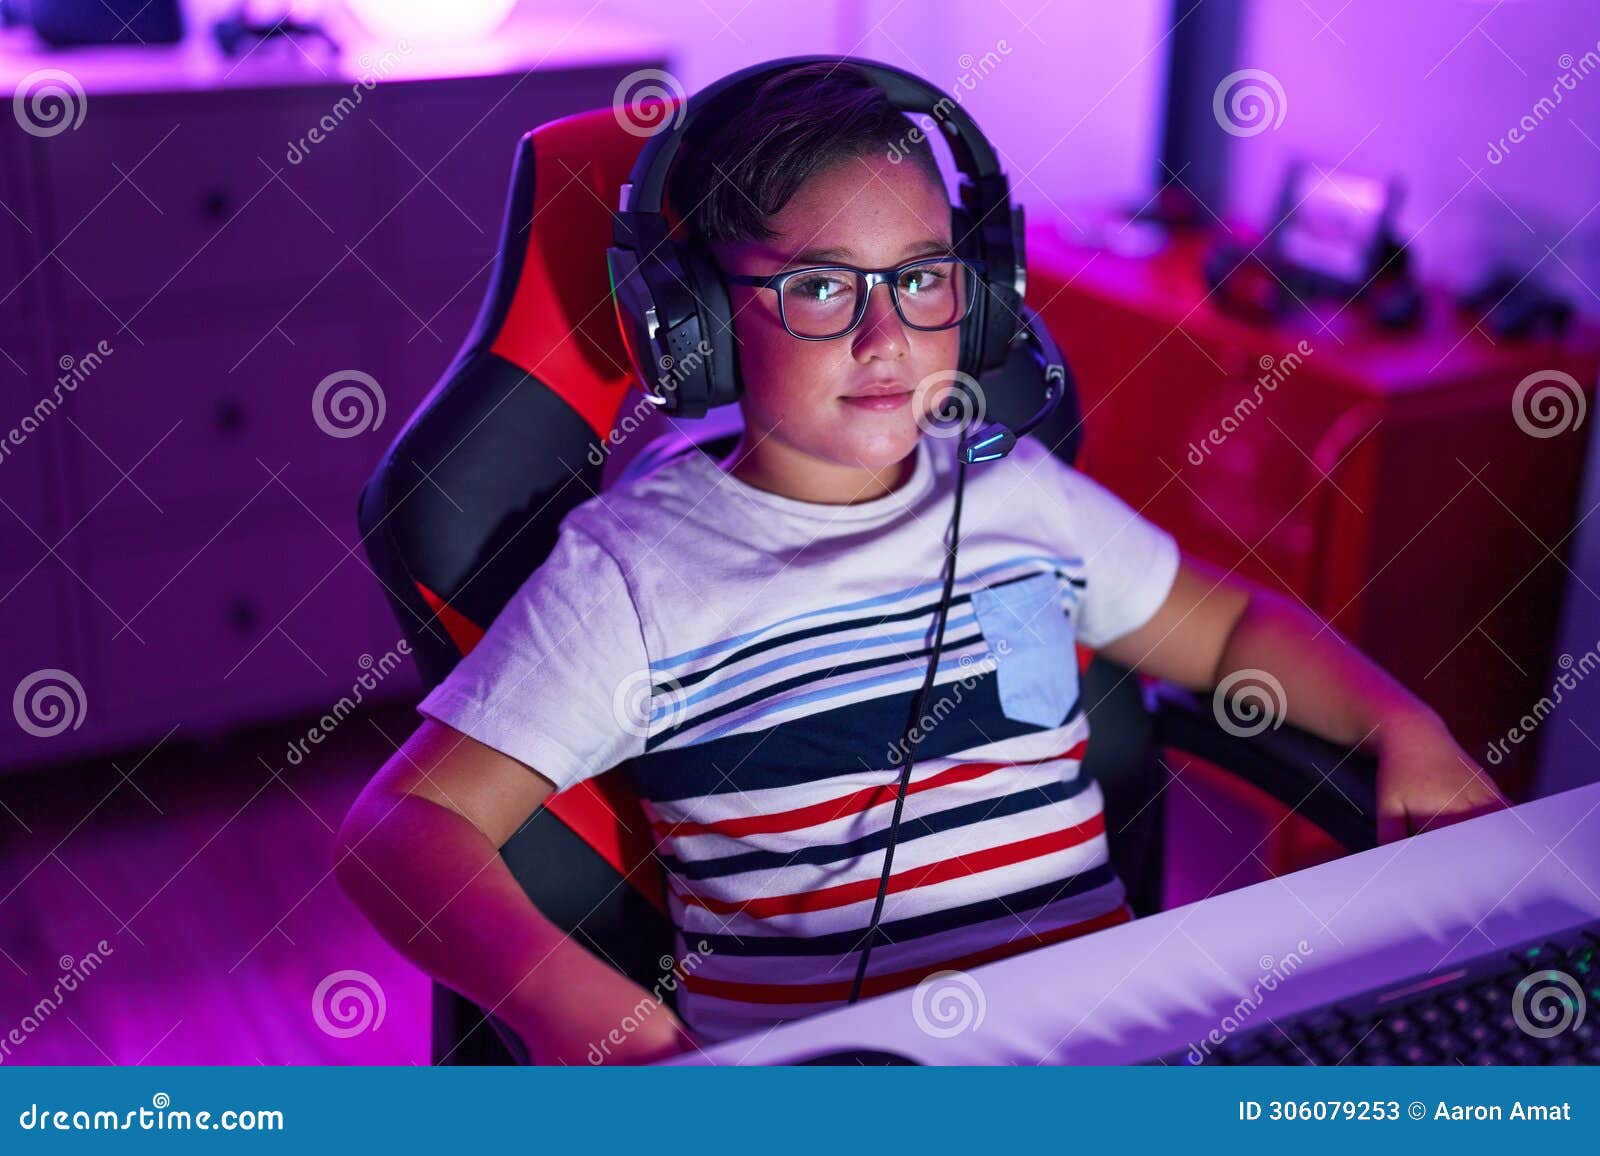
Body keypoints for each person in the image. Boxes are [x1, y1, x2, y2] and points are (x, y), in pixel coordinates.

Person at [334, 62, 1507, 1066]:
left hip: (1107, 1046)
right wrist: (596, 1018)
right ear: (690, 325)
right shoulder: (634, 575)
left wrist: (1402, 723)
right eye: (817, 286)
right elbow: (401, 832)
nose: (885, 334)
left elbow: (1234, 633)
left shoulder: (1014, 493)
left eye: (924, 276)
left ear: (980, 296)